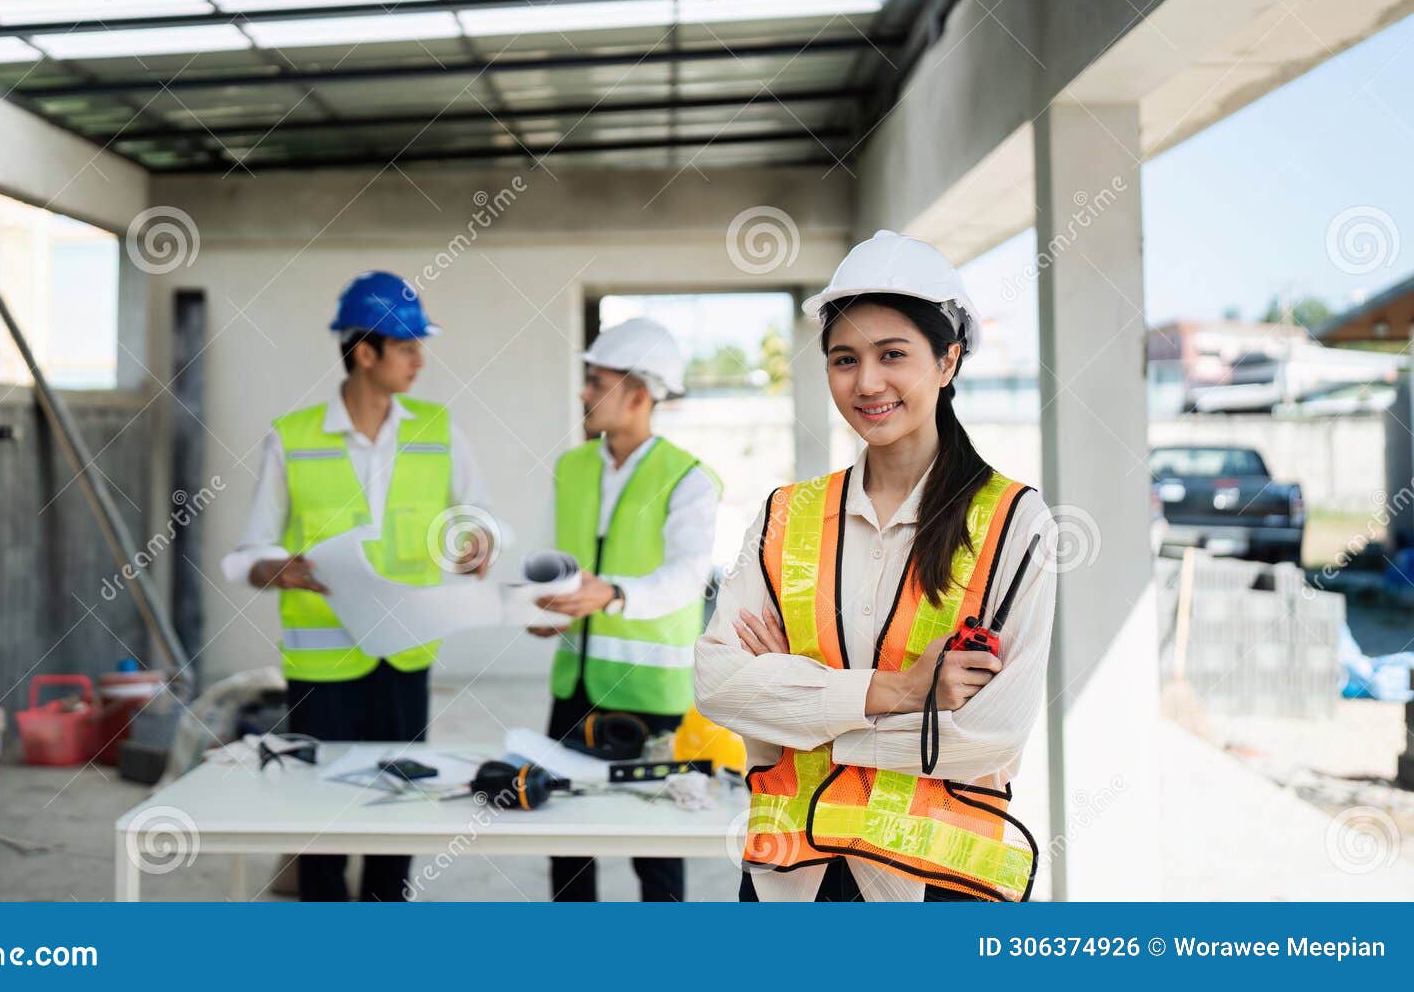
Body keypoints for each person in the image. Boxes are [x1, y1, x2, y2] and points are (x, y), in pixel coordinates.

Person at [695, 232, 1056, 902]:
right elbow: (718, 684)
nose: (867, 383)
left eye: (893, 355)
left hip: (937, 885)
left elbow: (989, 733)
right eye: (844, 358)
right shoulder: (786, 514)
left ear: (947, 361)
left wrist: (802, 711)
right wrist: (897, 693)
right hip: (788, 883)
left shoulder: (1015, 525)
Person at [221, 270, 492, 902]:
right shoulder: (291, 437)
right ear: (363, 351)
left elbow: (474, 515)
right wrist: (270, 568)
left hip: (405, 652)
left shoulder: (439, 427)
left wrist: (475, 541)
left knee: (395, 808)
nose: (419, 360)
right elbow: (249, 552)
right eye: (406, 346)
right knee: (320, 818)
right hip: (322, 664)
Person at [530, 317, 720, 901]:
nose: (584, 392)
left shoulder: (689, 479)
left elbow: (688, 578)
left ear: (638, 396)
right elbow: (557, 563)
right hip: (574, 685)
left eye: (596, 380)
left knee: (655, 847)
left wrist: (611, 593)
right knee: (563, 834)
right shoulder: (571, 467)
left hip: (649, 694)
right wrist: (548, 608)